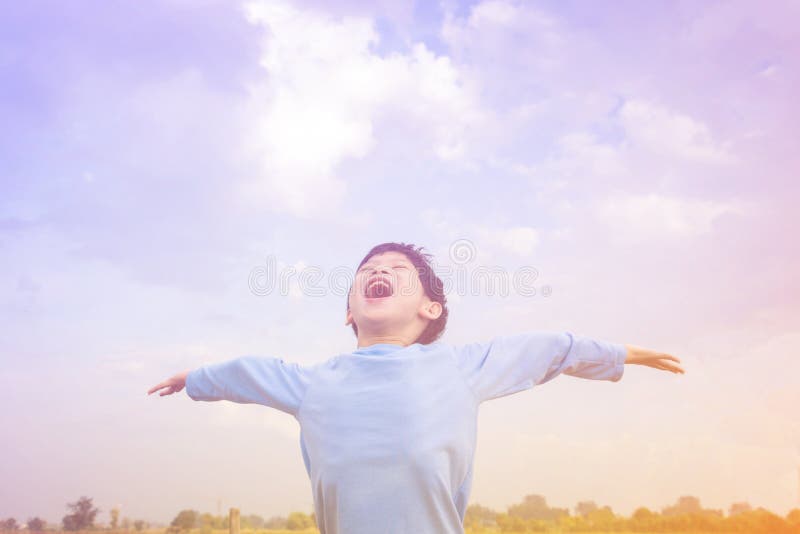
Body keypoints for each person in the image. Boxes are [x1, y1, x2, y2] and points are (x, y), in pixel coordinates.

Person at [148, 242, 684, 534]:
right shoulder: (312, 384)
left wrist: (626, 354)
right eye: (368, 270)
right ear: (349, 314)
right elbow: (247, 371)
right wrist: (193, 378)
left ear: (431, 308)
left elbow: (552, 348)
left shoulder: (458, 368)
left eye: (397, 270)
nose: (378, 271)